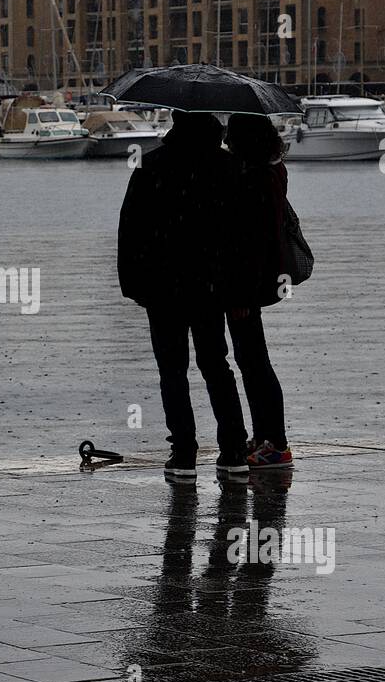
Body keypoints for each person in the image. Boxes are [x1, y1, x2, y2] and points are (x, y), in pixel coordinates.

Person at [118, 110, 252, 479]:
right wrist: (240, 291)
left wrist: (134, 285)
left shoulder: (151, 165)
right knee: (216, 366)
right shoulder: (228, 167)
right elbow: (242, 238)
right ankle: (234, 450)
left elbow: (130, 230)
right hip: (211, 287)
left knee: (172, 370)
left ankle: (184, 454)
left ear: (175, 121)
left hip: (163, 288)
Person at [221, 113, 292, 470]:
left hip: (247, 288)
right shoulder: (274, 170)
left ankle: (274, 441)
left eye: (231, 137)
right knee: (253, 362)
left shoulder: (256, 180)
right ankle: (266, 436)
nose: (227, 143)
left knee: (254, 364)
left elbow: (249, 244)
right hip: (260, 282)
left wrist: (241, 297)